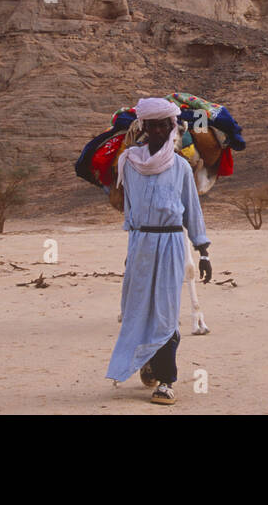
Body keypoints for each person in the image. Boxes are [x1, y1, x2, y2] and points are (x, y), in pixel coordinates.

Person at [105, 97, 211, 405]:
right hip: (139, 244)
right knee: (136, 309)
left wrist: (202, 250)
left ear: (172, 126)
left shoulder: (179, 166)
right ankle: (147, 361)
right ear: (144, 127)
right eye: (153, 125)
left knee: (166, 313)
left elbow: (191, 209)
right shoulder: (128, 162)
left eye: (166, 124)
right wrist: (133, 243)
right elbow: (127, 206)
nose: (160, 130)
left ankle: (166, 381)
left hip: (171, 244)